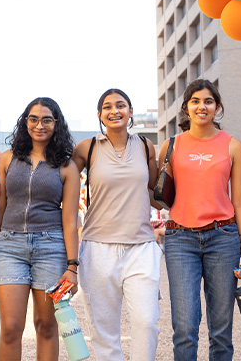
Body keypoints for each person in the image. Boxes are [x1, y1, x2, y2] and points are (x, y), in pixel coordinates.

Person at [159, 79, 241, 361]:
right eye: (195, 101)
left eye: (208, 101)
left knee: (221, 329)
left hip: (223, 239)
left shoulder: (233, 146)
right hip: (180, 239)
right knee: (185, 327)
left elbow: (239, 202)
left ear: (217, 107)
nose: (202, 106)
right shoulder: (170, 146)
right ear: (186, 108)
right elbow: (158, 193)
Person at [71, 88, 160, 361]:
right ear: (99, 115)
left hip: (142, 246)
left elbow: (155, 194)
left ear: (131, 111)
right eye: (107, 107)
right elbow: (61, 180)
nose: (114, 111)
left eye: (121, 105)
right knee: (104, 331)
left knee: (146, 322)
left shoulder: (146, 146)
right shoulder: (87, 148)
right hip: (98, 248)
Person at [0, 97, 80, 361]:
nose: (39, 125)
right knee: (10, 328)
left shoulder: (67, 166)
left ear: (56, 124)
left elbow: (70, 220)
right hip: (10, 246)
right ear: (25, 122)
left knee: (46, 326)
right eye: (33, 119)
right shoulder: (8, 159)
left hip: (51, 248)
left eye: (46, 120)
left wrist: (72, 266)